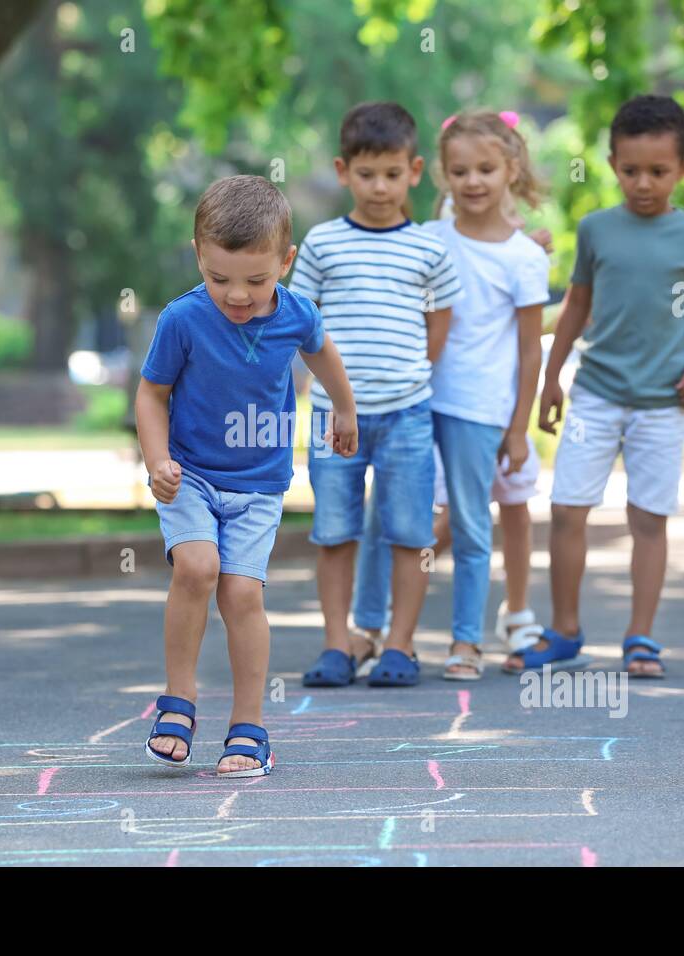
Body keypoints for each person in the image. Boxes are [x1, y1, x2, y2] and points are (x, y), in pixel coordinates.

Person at [135, 175, 357, 775]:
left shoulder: (296, 314)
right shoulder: (182, 319)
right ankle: (178, 700)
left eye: (256, 281)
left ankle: (249, 726)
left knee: (240, 595)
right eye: (219, 278)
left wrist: (343, 406)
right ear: (198, 256)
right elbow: (151, 395)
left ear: (286, 262)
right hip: (192, 476)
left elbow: (322, 350)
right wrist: (157, 462)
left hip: (258, 484)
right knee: (197, 568)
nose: (237, 296)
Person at [503, 94, 684, 678]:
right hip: (596, 394)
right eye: (630, 170)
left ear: (683, 168)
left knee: (648, 518)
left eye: (658, 171)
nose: (644, 183)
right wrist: (552, 378)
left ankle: (642, 637)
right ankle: (566, 630)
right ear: (611, 164)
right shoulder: (597, 229)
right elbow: (577, 304)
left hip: (664, 401)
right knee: (568, 508)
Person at [350, 108, 550, 680]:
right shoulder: (427, 239)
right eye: (460, 171)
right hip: (410, 400)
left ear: (510, 168)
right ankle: (371, 629)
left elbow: (530, 351)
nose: (473, 181)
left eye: (486, 168)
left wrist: (518, 429)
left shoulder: (524, 258)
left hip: (480, 409)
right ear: (440, 175)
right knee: (386, 516)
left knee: (469, 522)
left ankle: (466, 640)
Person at [291, 101, 462, 689]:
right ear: (343, 171)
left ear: (414, 171)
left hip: (407, 412)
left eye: (393, 174)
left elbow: (440, 319)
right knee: (335, 531)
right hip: (334, 416)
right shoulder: (322, 244)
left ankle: (401, 645)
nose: (380, 187)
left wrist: (414, 370)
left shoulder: (429, 249)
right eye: (366, 175)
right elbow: (302, 323)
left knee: (411, 532)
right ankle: (338, 644)